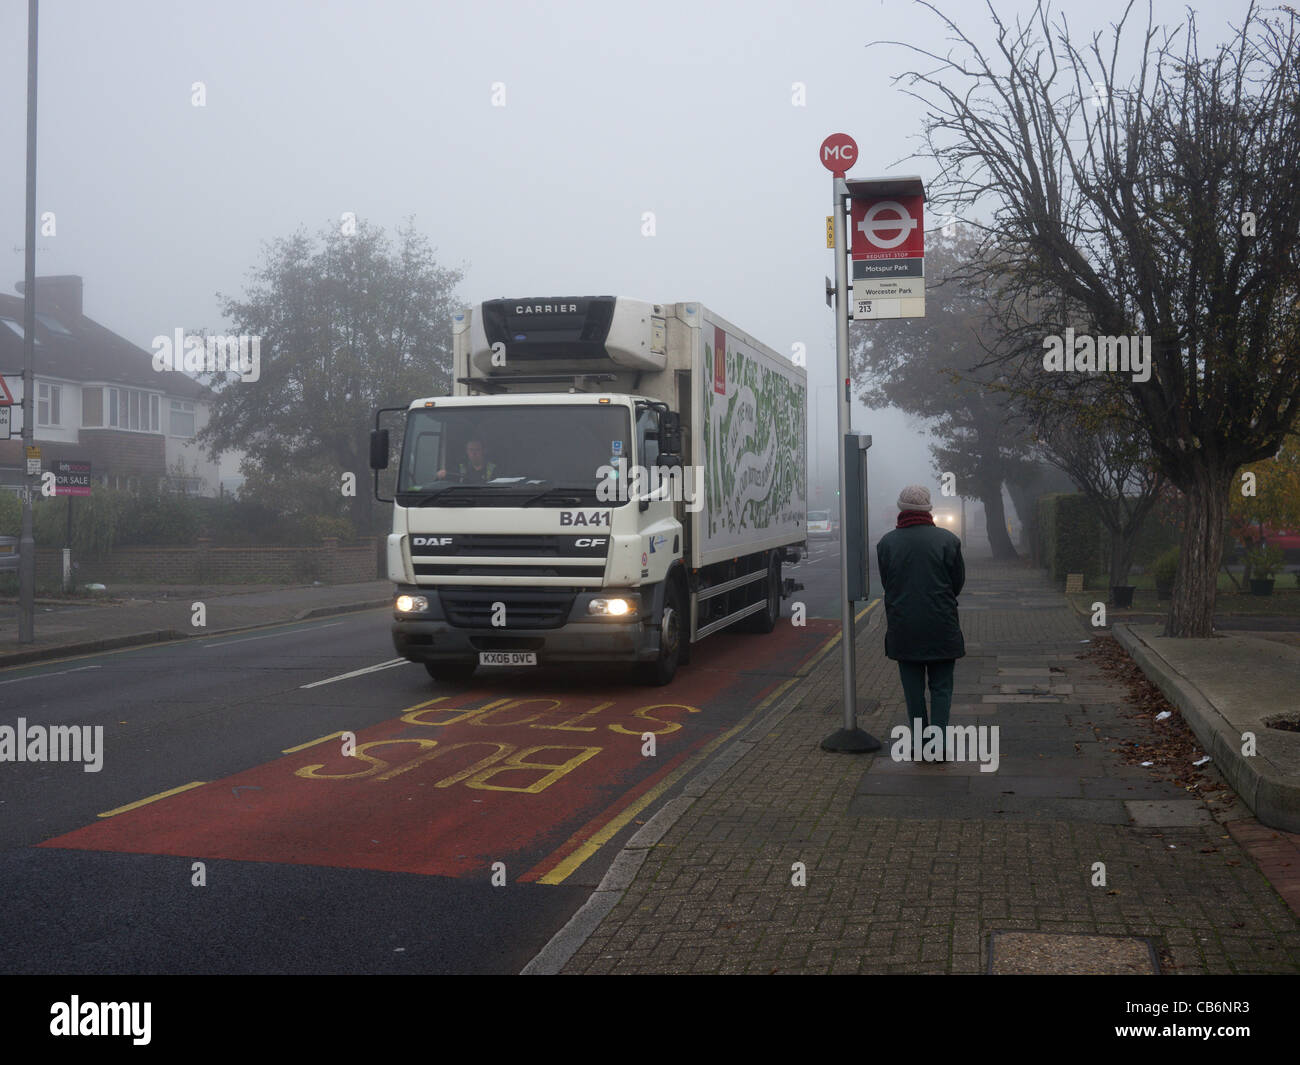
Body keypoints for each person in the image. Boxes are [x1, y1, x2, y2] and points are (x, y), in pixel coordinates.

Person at [875, 484, 966, 762]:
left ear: (902, 509)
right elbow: (956, 583)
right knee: (941, 688)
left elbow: (887, 583)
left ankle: (919, 743)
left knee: (913, 691)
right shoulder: (948, 541)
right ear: (929, 509)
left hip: (905, 628)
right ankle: (936, 746)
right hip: (941, 625)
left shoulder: (886, 543)